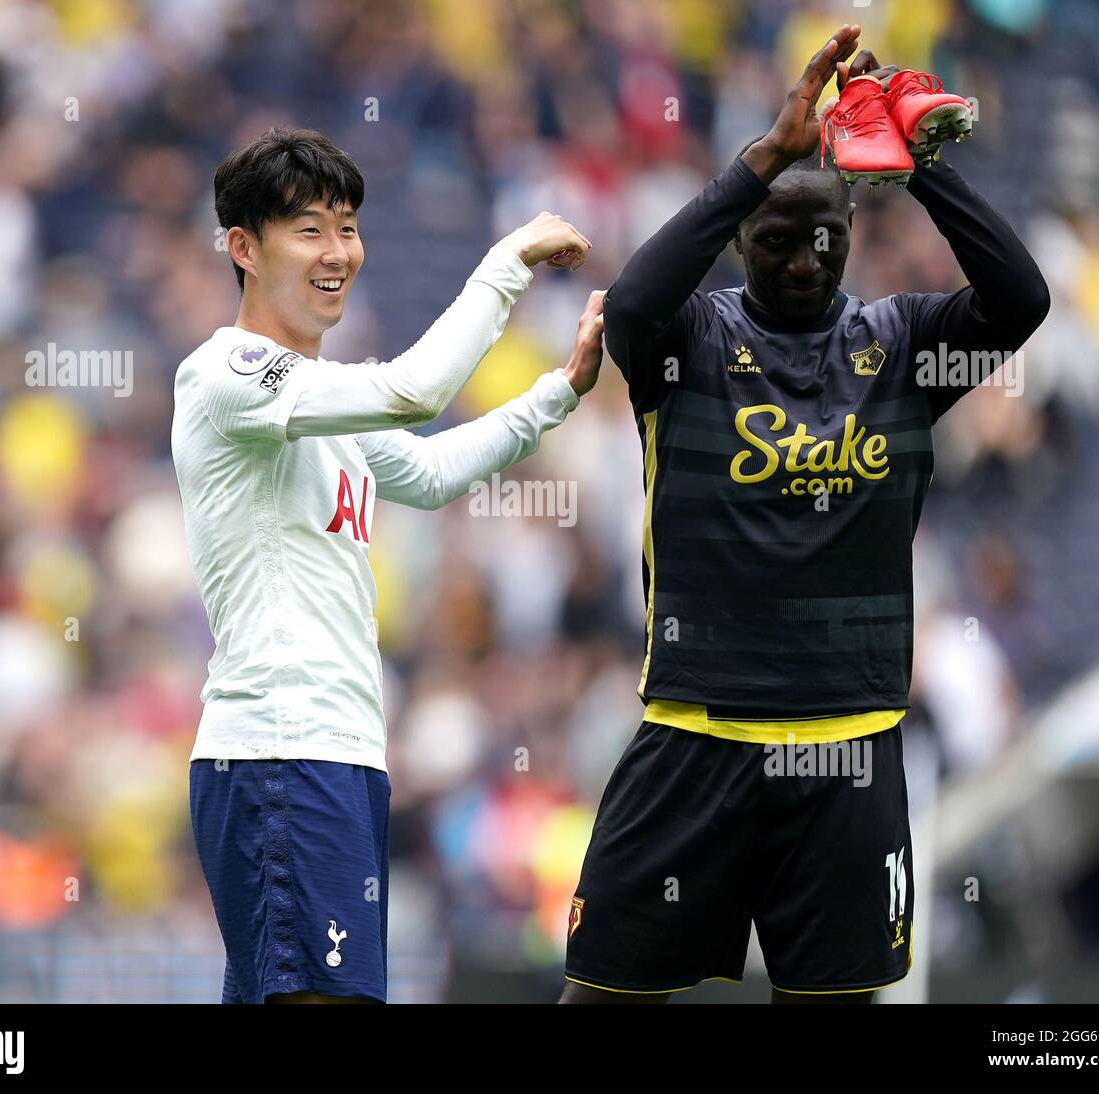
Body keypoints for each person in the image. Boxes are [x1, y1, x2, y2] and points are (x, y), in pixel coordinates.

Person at [561, 25, 1049, 1003]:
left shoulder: (903, 342)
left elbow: (1020, 298)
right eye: (775, 238)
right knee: (600, 997)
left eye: (821, 237)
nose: (798, 259)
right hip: (694, 735)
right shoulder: (687, 341)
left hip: (848, 748)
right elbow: (628, 310)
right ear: (742, 237)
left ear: (849, 235)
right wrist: (766, 158)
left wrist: (917, 169)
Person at [173, 126, 604, 1003]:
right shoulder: (226, 371)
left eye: (348, 227)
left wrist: (557, 392)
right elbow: (417, 390)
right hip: (278, 755)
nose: (338, 253)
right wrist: (508, 261)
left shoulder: (320, 405)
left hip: (337, 757)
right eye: (309, 230)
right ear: (243, 249)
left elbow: (435, 471)